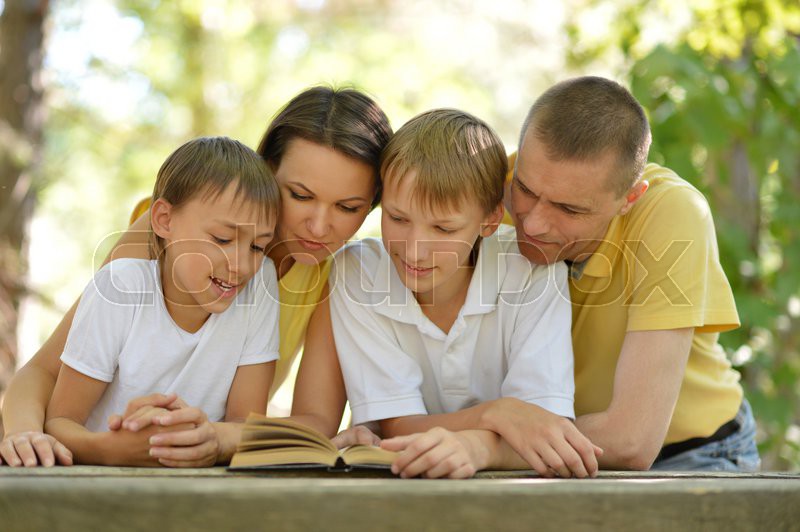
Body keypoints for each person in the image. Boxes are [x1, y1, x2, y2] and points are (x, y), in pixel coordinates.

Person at [0, 86, 392, 467]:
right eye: (301, 196)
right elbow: (45, 370)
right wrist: (25, 432)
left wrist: (217, 439)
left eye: (348, 207)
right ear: (268, 171)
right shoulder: (173, 234)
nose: (319, 227)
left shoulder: (334, 273)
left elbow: (313, 421)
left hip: (201, 451)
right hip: (105, 443)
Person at [477, 76, 758, 471]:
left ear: (629, 199)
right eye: (524, 189)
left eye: (569, 210)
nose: (534, 223)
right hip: (546, 450)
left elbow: (631, 440)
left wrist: (484, 447)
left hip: (690, 455)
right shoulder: (489, 186)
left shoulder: (673, 212)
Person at [328, 109, 602, 479]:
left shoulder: (533, 272)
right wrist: (497, 414)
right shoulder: (357, 273)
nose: (414, 250)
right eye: (397, 218)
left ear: (490, 219)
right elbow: (396, 425)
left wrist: (487, 438)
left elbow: (542, 428)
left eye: (443, 228)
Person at [43, 137, 281, 466]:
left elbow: (247, 425)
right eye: (223, 239)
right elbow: (59, 423)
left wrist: (209, 438)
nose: (242, 265)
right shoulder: (119, 286)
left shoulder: (260, 284)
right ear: (164, 220)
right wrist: (109, 449)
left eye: (258, 247)